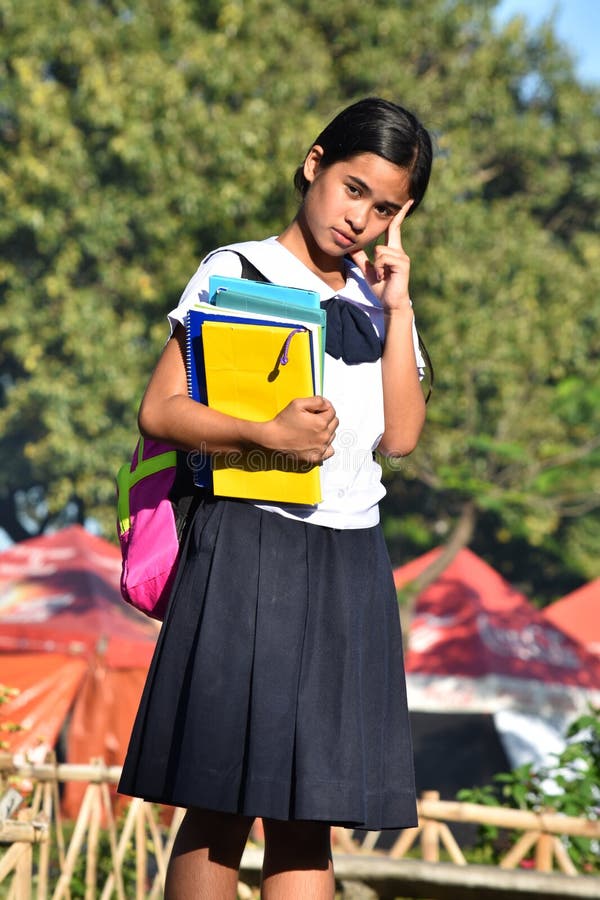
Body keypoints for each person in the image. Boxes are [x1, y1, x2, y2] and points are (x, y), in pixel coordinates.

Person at [119, 96, 433, 899]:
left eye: (386, 207)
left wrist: (398, 310)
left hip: (349, 562)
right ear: (314, 163)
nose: (360, 217)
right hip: (249, 549)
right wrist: (267, 433)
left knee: (310, 817)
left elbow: (400, 437)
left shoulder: (380, 304)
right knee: (220, 807)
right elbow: (161, 411)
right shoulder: (237, 269)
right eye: (353, 188)